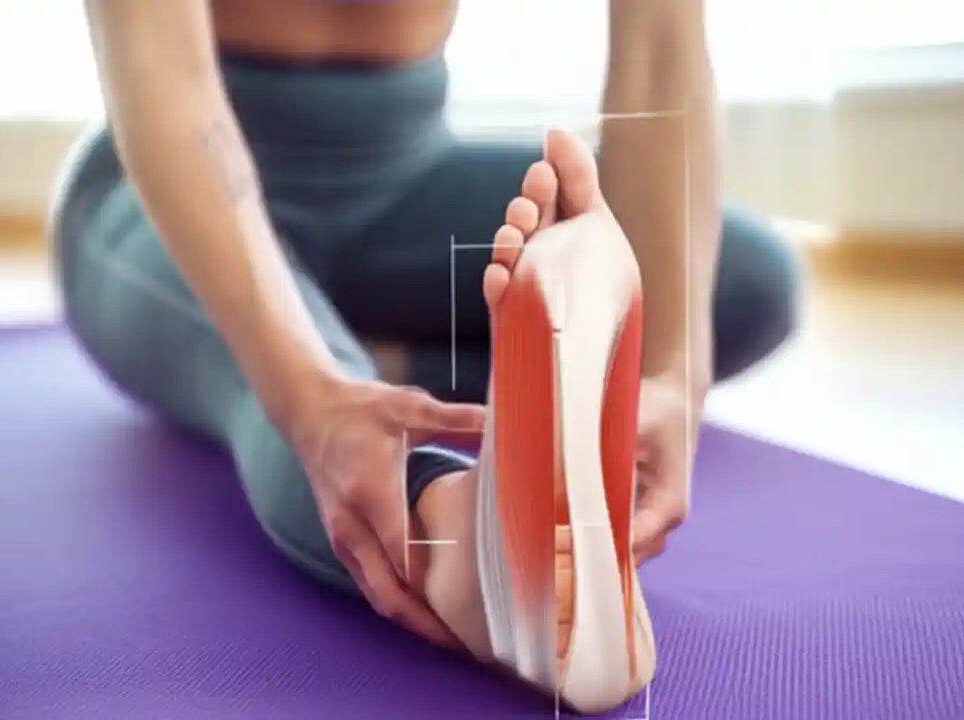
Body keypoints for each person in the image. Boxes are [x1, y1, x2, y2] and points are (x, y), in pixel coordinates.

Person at [51, 0, 798, 706]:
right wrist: (310, 398)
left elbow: (662, 41)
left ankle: (401, 373)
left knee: (748, 281)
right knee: (292, 385)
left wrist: (669, 370)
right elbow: (170, 89)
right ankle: (465, 547)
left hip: (399, 185)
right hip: (170, 201)